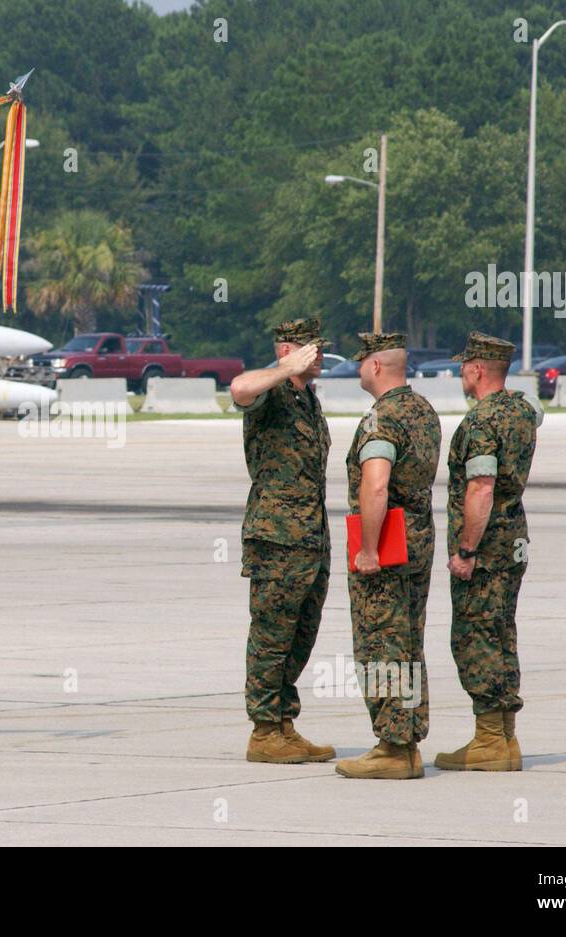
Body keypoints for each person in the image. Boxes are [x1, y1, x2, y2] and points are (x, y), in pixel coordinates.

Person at [334, 333, 441, 780]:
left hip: (388, 548)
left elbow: (376, 485)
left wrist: (368, 550)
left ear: (376, 366)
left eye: (362, 361)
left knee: (381, 645)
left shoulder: (382, 419)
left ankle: (393, 747)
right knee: (409, 643)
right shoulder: (424, 412)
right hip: (418, 541)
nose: (358, 368)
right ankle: (409, 741)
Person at [228, 318, 335, 764]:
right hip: (277, 537)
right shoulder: (270, 391)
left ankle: (284, 724)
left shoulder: (307, 399)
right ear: (292, 350)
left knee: (301, 634)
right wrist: (282, 367)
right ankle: (264, 730)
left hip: (310, 536)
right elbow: (238, 389)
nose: (323, 358)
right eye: (315, 350)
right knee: (271, 635)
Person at [436, 331, 540, 772]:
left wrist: (466, 549)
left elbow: (480, 487)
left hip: (487, 548)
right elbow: (537, 413)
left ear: (478, 370)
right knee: (502, 635)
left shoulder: (481, 423)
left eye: (464, 366)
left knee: (475, 638)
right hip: (513, 539)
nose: (461, 373)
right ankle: (505, 739)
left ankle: (489, 740)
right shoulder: (519, 411)